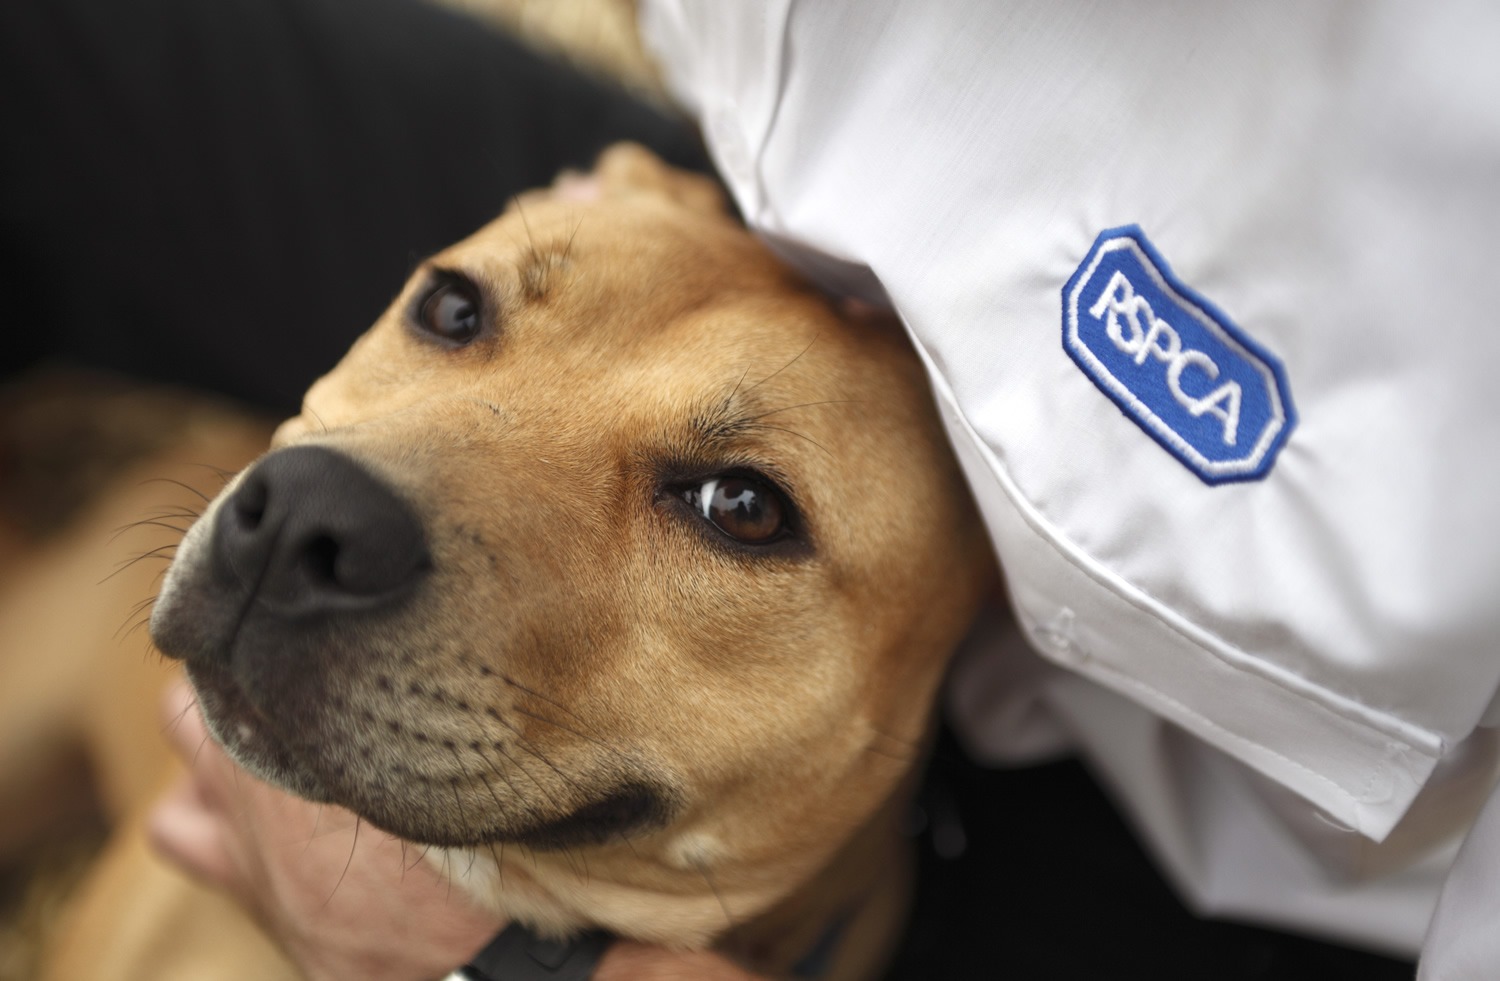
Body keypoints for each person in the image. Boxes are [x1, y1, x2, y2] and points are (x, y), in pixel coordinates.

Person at [9, 0, 1498, 978]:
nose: (344, 496)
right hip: (763, 196)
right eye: (456, 315)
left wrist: (523, 964)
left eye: (736, 508)